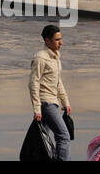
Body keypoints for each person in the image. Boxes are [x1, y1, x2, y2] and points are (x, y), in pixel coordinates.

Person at [28, 24, 72, 161]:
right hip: (45, 103)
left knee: (42, 140)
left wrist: (65, 102)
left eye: (61, 39)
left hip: (53, 102)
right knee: (63, 136)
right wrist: (37, 109)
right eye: (57, 39)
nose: (61, 42)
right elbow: (33, 83)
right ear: (47, 41)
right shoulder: (40, 58)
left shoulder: (55, 57)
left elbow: (58, 81)